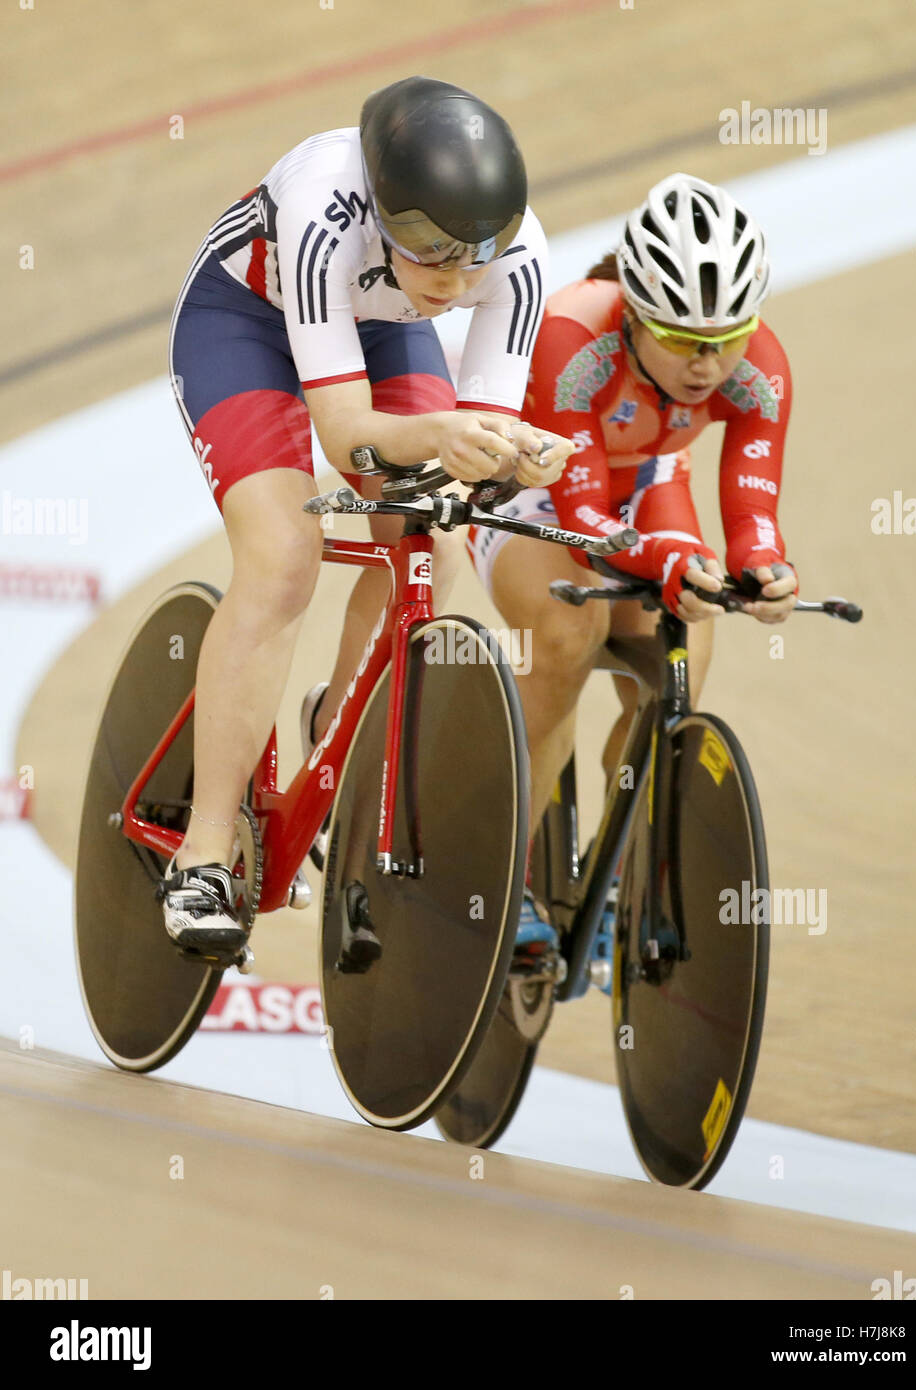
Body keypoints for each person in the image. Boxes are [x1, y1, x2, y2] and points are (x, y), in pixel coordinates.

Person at [161, 76, 573, 952]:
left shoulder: (518, 255)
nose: (457, 281)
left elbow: (485, 428)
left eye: (474, 259)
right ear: (385, 215)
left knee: (436, 540)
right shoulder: (323, 202)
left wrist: (516, 450)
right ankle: (201, 852)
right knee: (283, 552)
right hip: (247, 324)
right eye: (431, 253)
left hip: (380, 330)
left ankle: (337, 720)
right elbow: (350, 438)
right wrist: (446, 432)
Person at [466, 172, 798, 943]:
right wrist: (675, 562)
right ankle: (495, 873)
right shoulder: (573, 338)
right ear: (635, 314)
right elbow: (583, 518)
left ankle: (608, 876)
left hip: (649, 486)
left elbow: (752, 516)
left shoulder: (761, 366)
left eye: (726, 339)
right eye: (683, 339)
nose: (707, 366)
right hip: (537, 495)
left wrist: (763, 570)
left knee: (681, 654)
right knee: (565, 637)